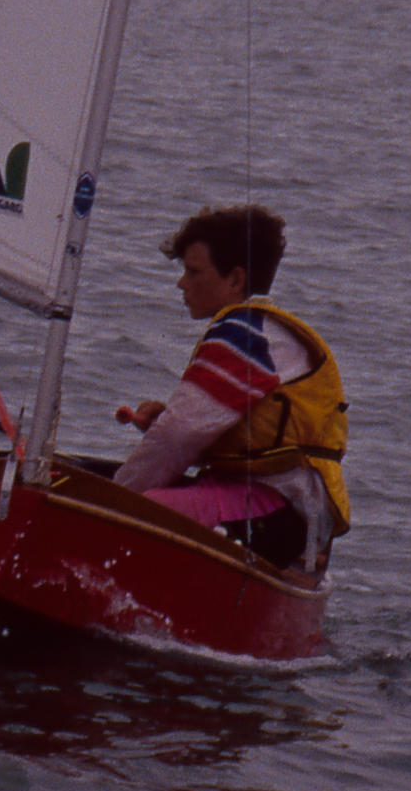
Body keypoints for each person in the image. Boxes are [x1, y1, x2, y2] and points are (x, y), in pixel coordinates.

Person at [112, 202, 349, 571]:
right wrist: (165, 419)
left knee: (132, 511)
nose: (181, 283)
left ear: (236, 280)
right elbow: (196, 426)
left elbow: (178, 438)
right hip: (290, 513)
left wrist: (111, 500)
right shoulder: (266, 334)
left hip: (279, 509)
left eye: (193, 271)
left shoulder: (244, 334)